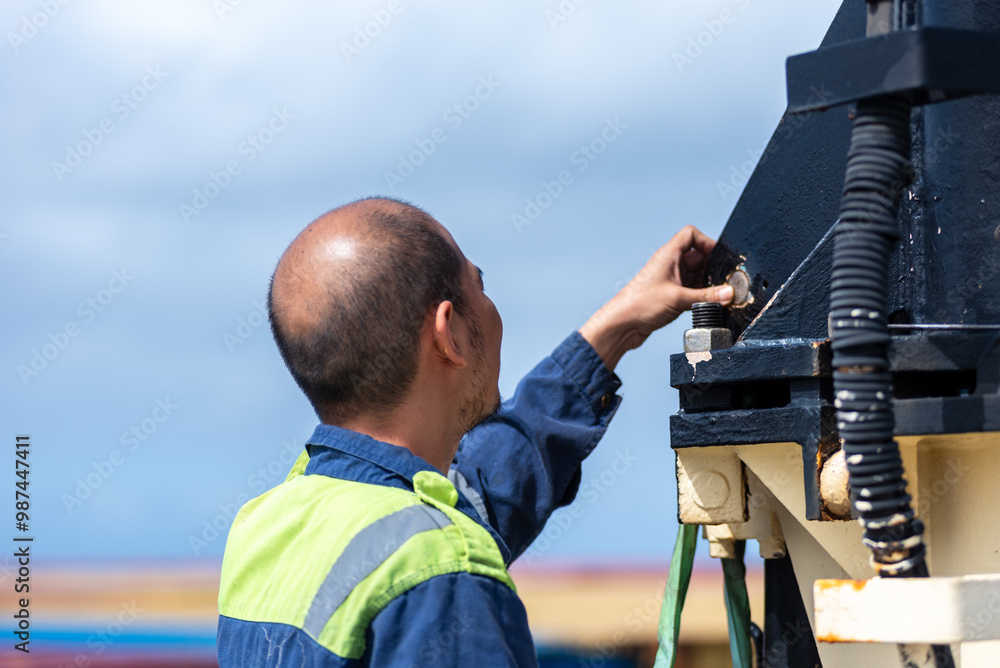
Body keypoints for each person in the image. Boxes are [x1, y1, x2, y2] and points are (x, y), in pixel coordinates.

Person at [217, 197, 733, 667]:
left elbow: (479, 491)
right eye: (479, 286)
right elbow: (446, 540)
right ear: (448, 334)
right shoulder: (443, 572)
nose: (490, 307)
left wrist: (617, 326)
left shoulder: (270, 523)